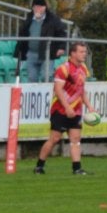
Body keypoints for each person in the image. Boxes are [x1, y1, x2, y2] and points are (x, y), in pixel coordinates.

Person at [34, 41, 91, 176]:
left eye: (85, 52)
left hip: (76, 110)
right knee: (54, 138)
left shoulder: (83, 69)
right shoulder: (63, 69)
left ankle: (77, 168)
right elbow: (58, 90)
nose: (84, 54)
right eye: (81, 52)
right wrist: (67, 107)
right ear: (73, 53)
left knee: (75, 139)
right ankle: (39, 166)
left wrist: (89, 106)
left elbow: (81, 90)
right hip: (60, 110)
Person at [15, 0, 66, 86]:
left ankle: (48, 93)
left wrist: (61, 47)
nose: (38, 9)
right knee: (32, 78)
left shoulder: (53, 19)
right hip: (31, 53)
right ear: (33, 8)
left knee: (45, 77)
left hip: (47, 54)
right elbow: (22, 33)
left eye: (40, 7)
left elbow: (62, 33)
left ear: (45, 8)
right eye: (36, 7)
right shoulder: (29, 18)